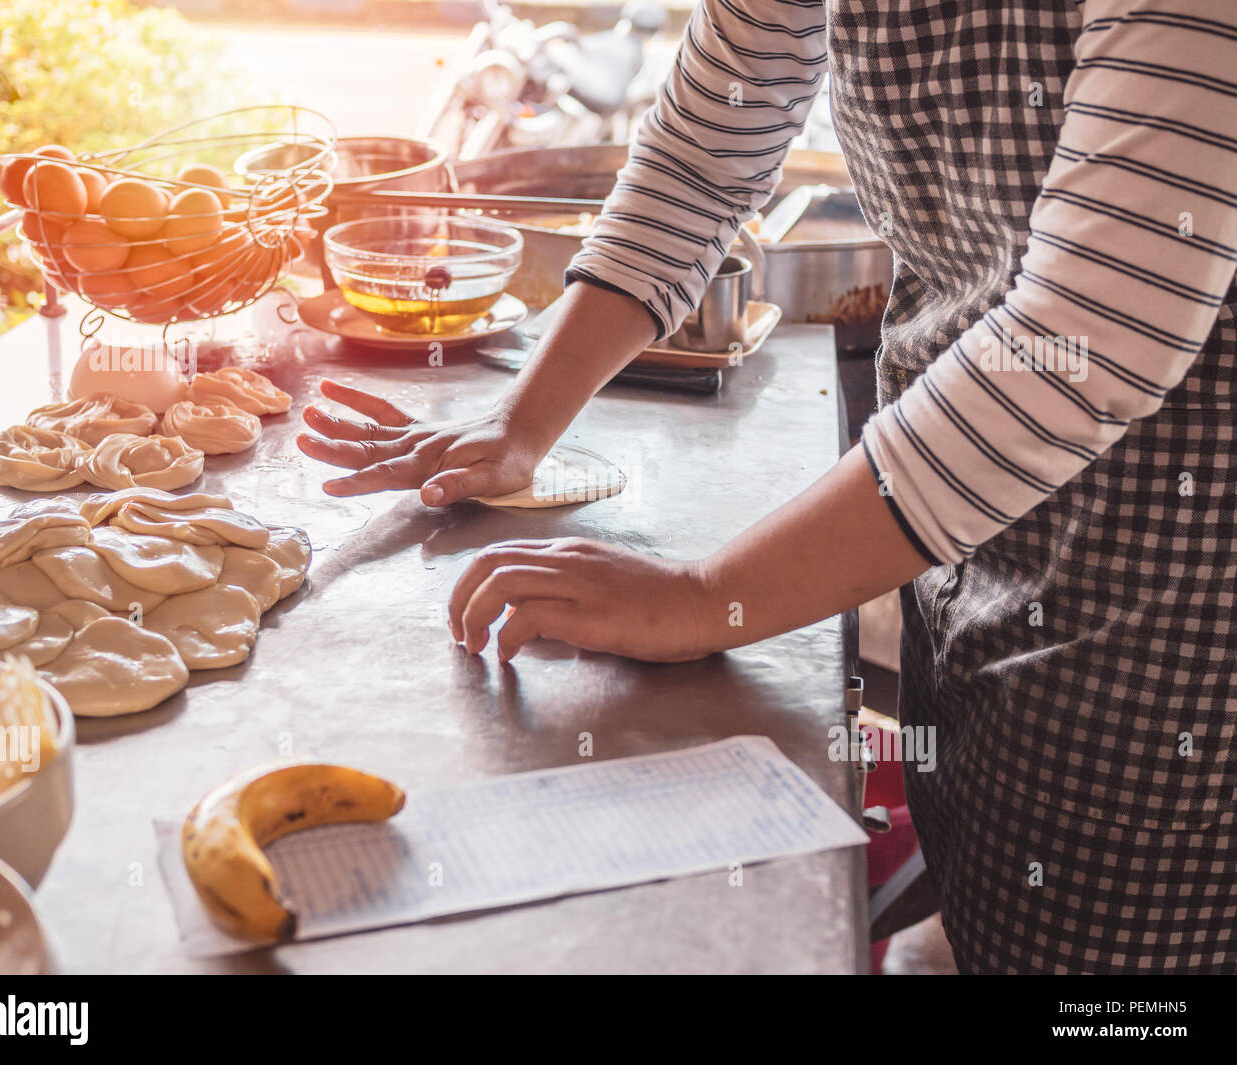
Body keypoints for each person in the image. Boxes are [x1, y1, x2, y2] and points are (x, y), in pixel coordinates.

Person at [298, 0, 1237, 973]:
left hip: (1178, 598)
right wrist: (520, 421)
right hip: (956, 527)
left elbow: (1095, 333)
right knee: (982, 889)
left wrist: (709, 595)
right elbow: (704, 151)